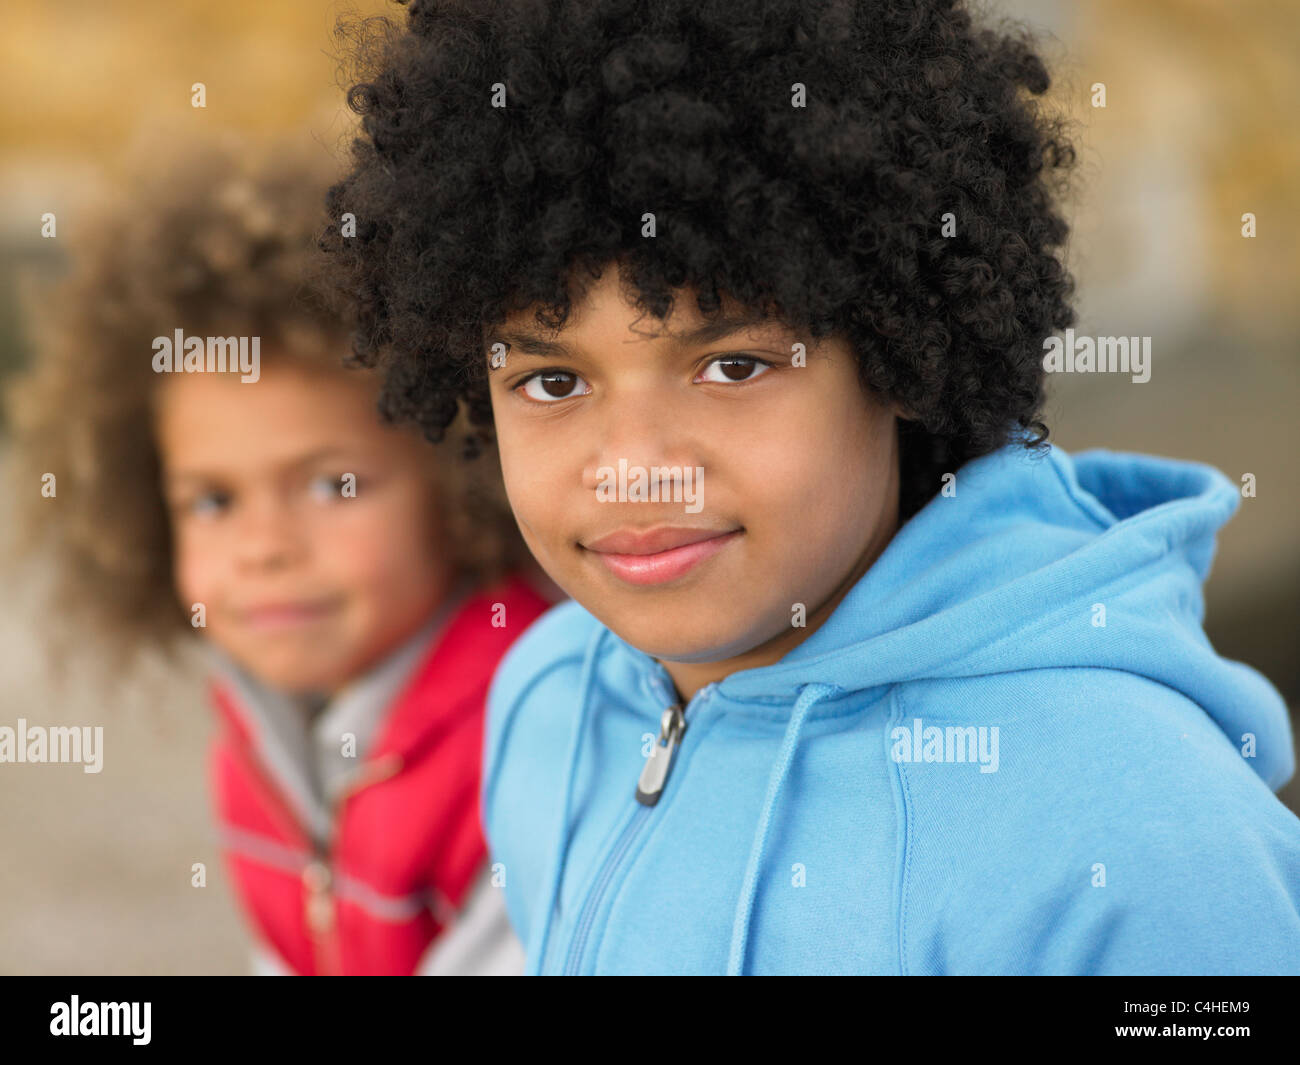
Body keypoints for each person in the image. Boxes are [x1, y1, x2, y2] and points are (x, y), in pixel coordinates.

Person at [319, 0, 1300, 973]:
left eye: (733, 366)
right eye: (553, 382)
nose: (634, 465)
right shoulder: (546, 702)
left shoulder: (1136, 836)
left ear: (902, 357)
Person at [6, 134, 554, 975]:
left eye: (333, 486)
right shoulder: (259, 727)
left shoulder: (530, 732)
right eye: (214, 500)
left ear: (461, 474)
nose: (265, 548)